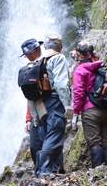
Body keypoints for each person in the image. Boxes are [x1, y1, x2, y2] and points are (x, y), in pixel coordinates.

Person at [21, 36, 72, 176]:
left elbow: (29, 95)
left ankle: (52, 170)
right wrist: (68, 105)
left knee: (46, 137)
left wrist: (33, 117)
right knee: (55, 134)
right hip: (54, 101)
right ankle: (44, 171)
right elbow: (61, 85)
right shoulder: (58, 58)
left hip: (40, 105)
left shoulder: (35, 63)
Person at [72, 41, 107, 167]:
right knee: (106, 143)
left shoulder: (80, 70)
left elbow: (78, 93)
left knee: (95, 143)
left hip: (90, 111)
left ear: (79, 55)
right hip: (105, 110)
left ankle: (98, 174)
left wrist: (76, 113)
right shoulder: (100, 67)